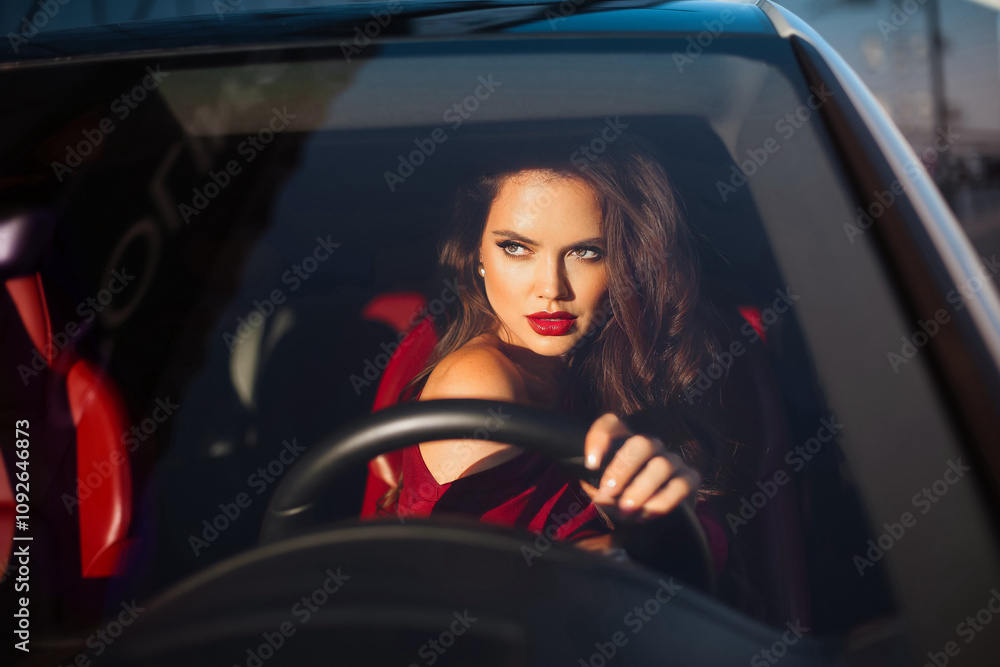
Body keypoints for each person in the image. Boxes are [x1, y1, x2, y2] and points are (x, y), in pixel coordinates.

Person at [379, 135, 733, 566]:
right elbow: (478, 582)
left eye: (586, 252)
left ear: (626, 260)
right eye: (516, 248)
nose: (551, 288)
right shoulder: (481, 383)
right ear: (478, 255)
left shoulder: (609, 365)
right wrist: (640, 541)